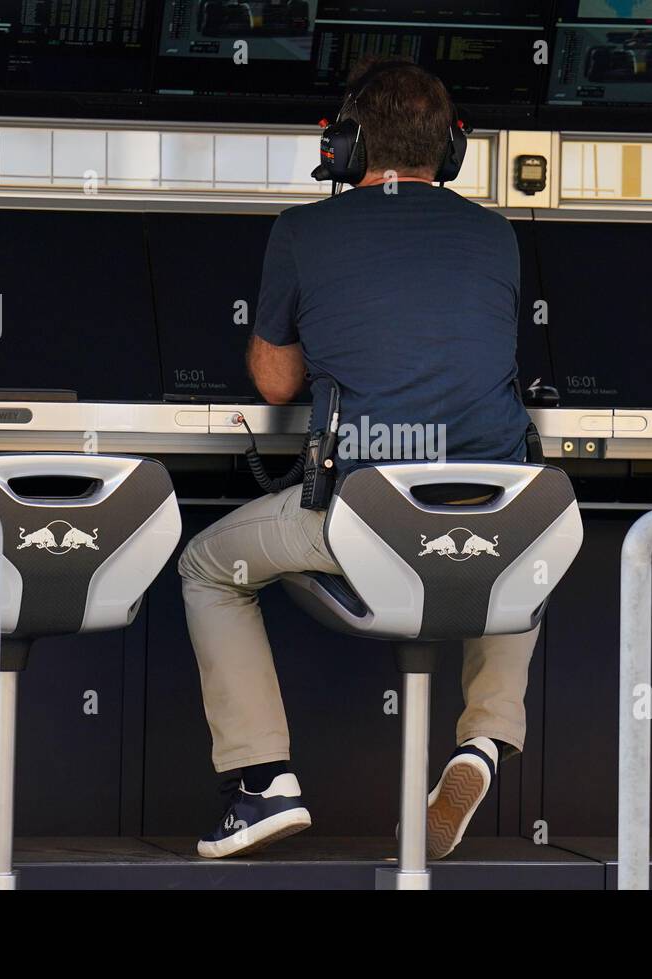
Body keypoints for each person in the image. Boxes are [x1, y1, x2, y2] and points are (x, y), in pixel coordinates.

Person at [178, 55, 538, 859]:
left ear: (343, 147)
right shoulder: (498, 236)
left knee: (206, 564)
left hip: (370, 514)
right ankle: (483, 740)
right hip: (492, 508)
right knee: (517, 547)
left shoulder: (304, 230)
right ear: (450, 149)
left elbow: (274, 382)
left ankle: (263, 782)